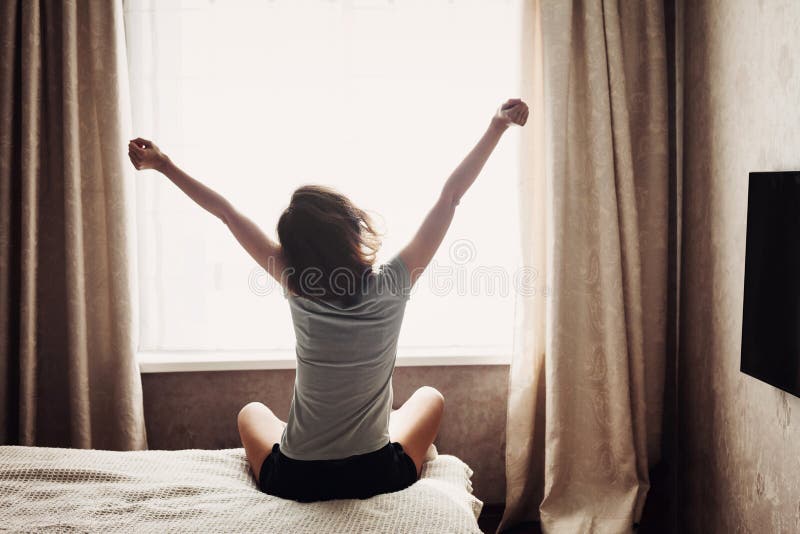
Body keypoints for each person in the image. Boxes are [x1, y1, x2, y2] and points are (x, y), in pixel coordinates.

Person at [127, 98, 528, 502]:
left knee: (252, 412)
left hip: (295, 478)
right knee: (429, 398)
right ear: (352, 231)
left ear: (294, 253)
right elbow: (450, 198)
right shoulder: (394, 283)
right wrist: (496, 127)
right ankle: (366, 428)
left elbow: (227, 214)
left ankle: (342, 431)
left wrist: (164, 165)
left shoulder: (294, 283)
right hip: (375, 474)